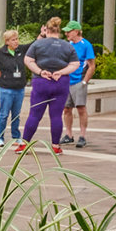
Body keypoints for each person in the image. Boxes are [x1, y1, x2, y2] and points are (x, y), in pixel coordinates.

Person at [18, 19, 74, 156]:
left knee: (34, 114)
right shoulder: (67, 46)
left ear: (47, 30)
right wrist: (61, 72)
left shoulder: (38, 44)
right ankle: (55, 146)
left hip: (41, 81)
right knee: (56, 116)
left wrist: (40, 71)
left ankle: (24, 144)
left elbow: (28, 60)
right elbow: (75, 64)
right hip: (60, 82)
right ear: (59, 31)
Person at [0, 28, 30, 143]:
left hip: (19, 89)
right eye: (13, 40)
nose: (16, 41)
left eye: (17, 39)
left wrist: (42, 35)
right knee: (4, 115)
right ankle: (0, 138)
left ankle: (16, 137)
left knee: (16, 115)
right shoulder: (0, 53)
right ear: (7, 42)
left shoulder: (21, 50)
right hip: (6, 89)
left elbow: (33, 44)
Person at [63, 21, 94, 147]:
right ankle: (68, 135)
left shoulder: (86, 45)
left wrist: (84, 81)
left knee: (81, 108)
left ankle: (82, 136)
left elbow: (92, 66)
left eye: (69, 31)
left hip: (79, 81)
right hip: (66, 82)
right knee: (66, 109)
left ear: (76, 31)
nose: (66, 33)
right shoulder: (68, 45)